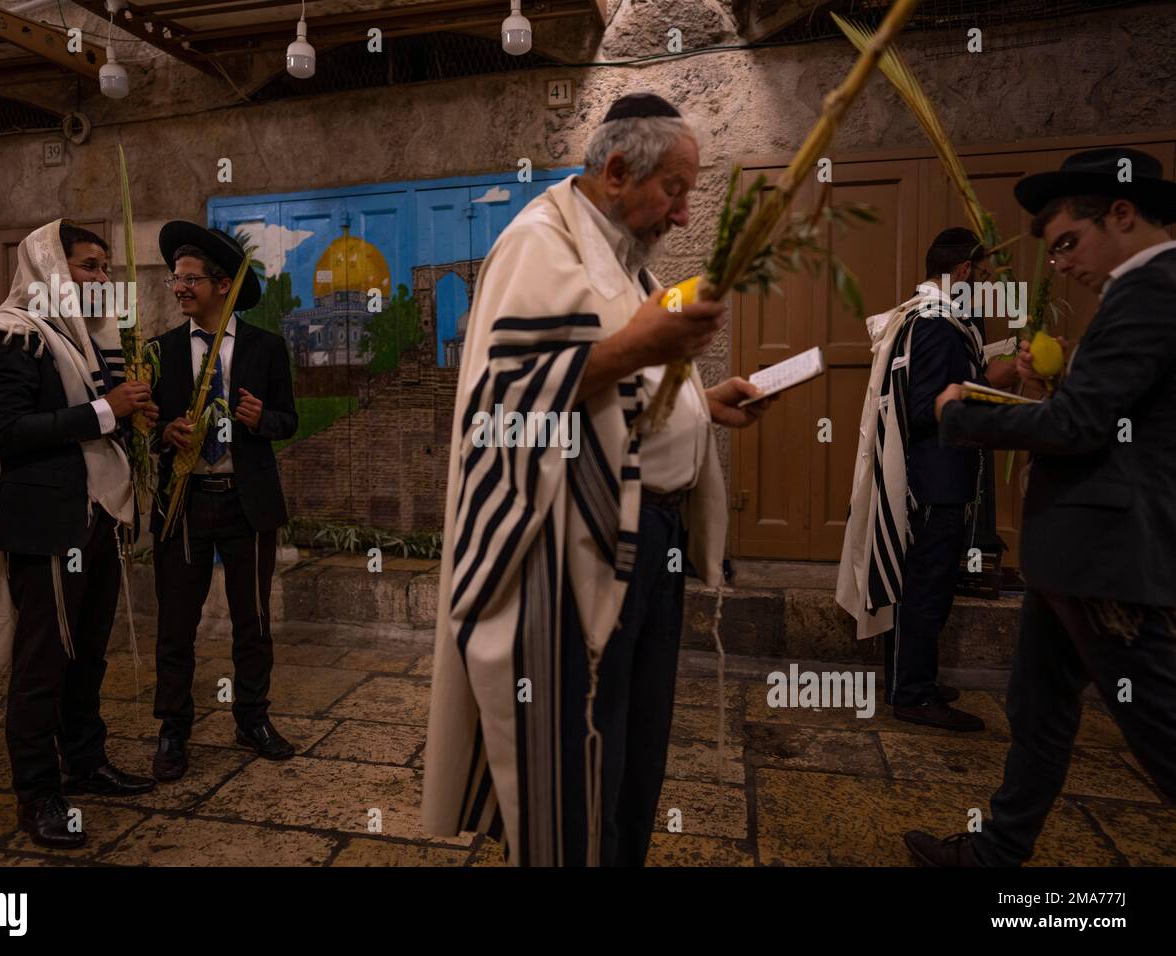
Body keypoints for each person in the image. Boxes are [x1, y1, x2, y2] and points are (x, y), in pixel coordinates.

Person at [422, 92, 771, 866]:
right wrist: (641, 346)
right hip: (583, 547)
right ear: (617, 171)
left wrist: (702, 406)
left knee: (637, 740)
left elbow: (615, 398)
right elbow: (503, 408)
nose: (683, 215)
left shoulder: (617, 255)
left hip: (652, 539)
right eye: (675, 190)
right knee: (587, 743)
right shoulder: (537, 245)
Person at [905, 147, 1176, 866]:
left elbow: (1079, 427)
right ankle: (998, 850)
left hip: (1107, 559)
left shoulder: (1156, 288)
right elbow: (1101, 416)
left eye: (1066, 243)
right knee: (1039, 712)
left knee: (1157, 724)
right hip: (1072, 553)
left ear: (1121, 212)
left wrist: (962, 410)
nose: (1058, 263)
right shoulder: (1135, 291)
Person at [0, 220, 158, 849]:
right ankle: (36, 795)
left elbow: (95, 423)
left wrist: (132, 414)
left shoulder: (84, 340)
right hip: (49, 522)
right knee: (43, 662)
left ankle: (84, 761)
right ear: (51, 269)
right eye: (88, 266)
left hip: (97, 516)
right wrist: (106, 409)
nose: (99, 279)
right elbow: (10, 433)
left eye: (105, 268)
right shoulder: (12, 333)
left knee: (88, 652)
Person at [838, 228, 1020, 732]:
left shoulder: (936, 318)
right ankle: (913, 694)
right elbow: (921, 409)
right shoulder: (937, 324)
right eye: (982, 276)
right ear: (963, 272)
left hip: (937, 477)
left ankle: (909, 679)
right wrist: (991, 383)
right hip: (934, 480)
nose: (985, 285)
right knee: (927, 589)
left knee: (924, 586)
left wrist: (981, 368)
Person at [149, 222, 299, 781]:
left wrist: (264, 421)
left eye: (189, 280)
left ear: (220, 286)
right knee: (176, 625)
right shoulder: (160, 351)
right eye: (176, 279)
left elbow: (289, 419)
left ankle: (252, 718)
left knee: (252, 621)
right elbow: (145, 429)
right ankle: (172, 730)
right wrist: (165, 433)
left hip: (248, 503)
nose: (179, 288)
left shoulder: (266, 348)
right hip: (184, 506)